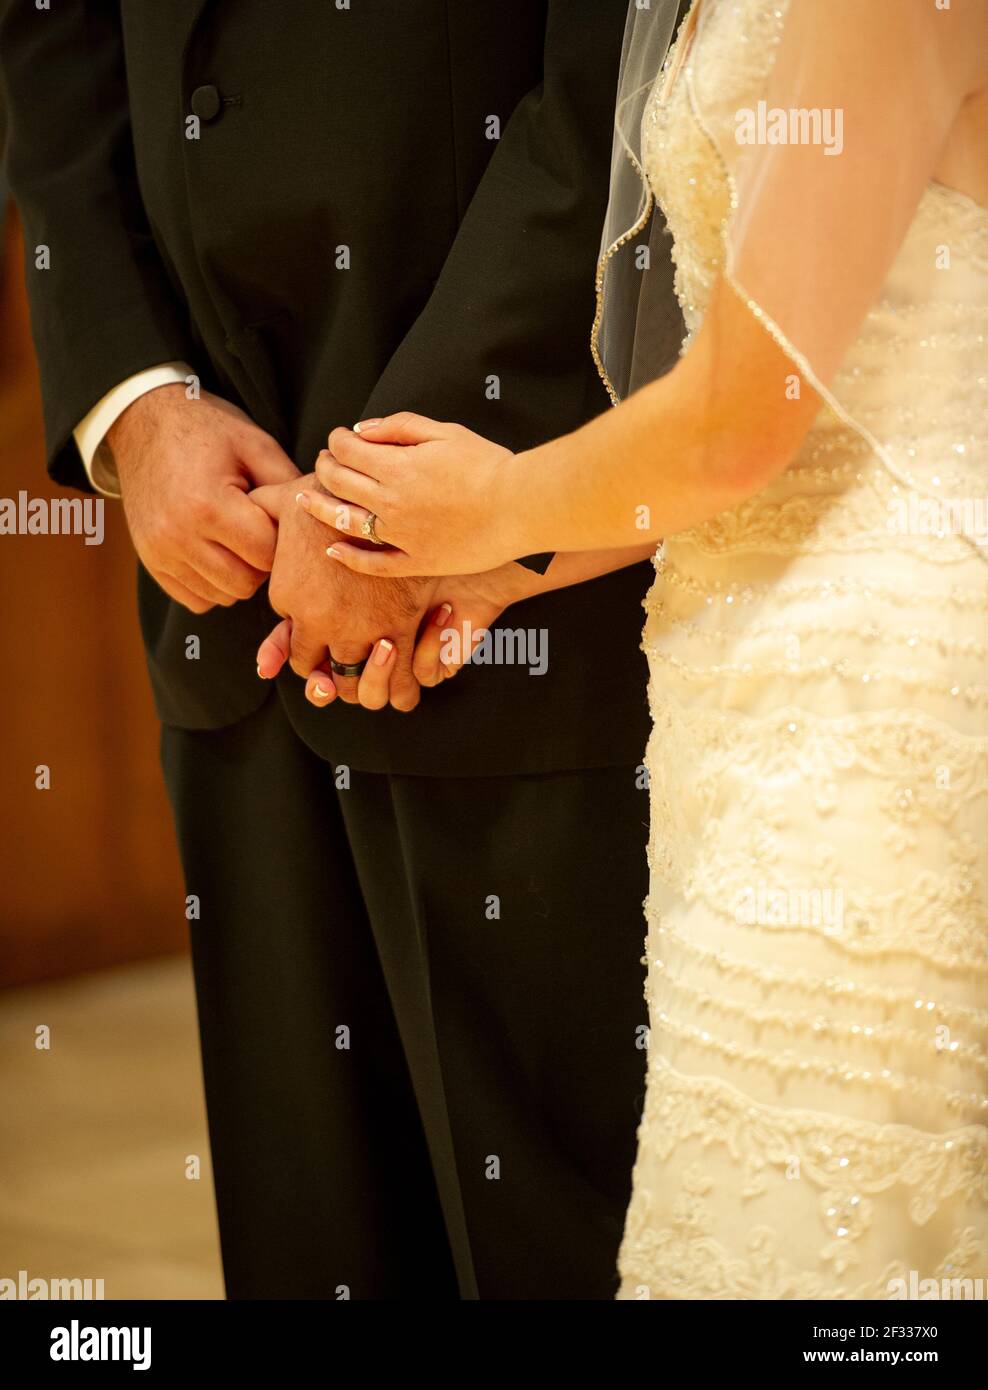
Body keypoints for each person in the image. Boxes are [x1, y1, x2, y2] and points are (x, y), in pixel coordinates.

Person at [301, 0, 988, 1297]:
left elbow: (745, 413)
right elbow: (783, 414)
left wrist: (494, 504)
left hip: (882, 685)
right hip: (737, 668)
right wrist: (515, 560)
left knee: (840, 1186)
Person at [0, 0, 685, 1299]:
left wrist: (397, 511)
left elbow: (614, 86)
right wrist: (134, 403)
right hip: (223, 575)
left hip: (532, 584)